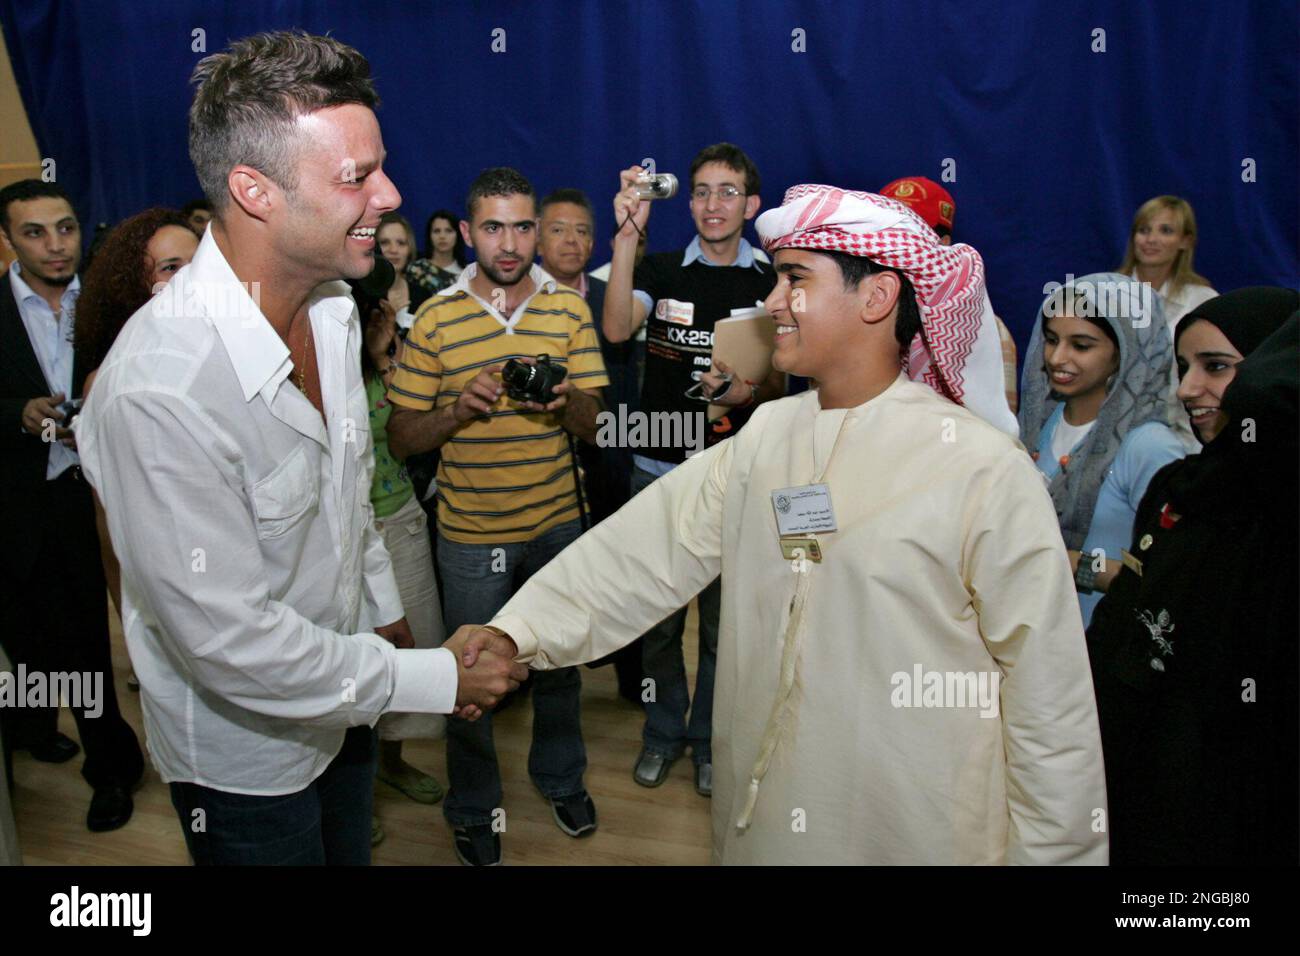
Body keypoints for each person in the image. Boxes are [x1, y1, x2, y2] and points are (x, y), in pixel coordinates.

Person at [454, 184, 1109, 865]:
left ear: (877, 297)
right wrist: (518, 633)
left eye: (794, 279)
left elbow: (1050, 712)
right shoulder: (768, 434)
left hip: (915, 831)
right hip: (764, 824)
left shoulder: (983, 471)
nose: (772, 304)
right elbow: (642, 551)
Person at [74, 31, 524, 866]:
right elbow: (231, 645)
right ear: (253, 191)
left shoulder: (333, 308)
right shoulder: (161, 391)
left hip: (343, 706)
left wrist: (386, 616)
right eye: (356, 177)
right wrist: (430, 677)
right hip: (249, 763)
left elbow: (344, 495)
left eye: (380, 166)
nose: (389, 195)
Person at [386, 167, 610, 867]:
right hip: (471, 533)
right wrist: (460, 409)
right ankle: (475, 806)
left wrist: (564, 402)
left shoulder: (569, 310)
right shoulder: (436, 317)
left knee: (560, 665)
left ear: (537, 229)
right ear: (469, 229)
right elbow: (399, 437)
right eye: (492, 226)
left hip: (556, 522)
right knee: (467, 679)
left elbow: (595, 423)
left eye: (521, 226)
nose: (508, 243)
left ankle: (560, 777)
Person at [1086, 288, 1299, 865]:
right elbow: (1126, 624)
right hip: (1143, 771)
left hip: (1236, 792)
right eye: (1183, 368)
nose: (1187, 389)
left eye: (1218, 367)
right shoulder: (1178, 484)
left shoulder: (1276, 504)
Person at [603, 143, 783, 797]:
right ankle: (662, 732)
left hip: (736, 471)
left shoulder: (770, 281)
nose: (712, 204)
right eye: (702, 190)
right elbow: (618, 328)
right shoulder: (657, 267)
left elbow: (786, 385)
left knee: (720, 629)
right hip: (658, 467)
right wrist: (626, 233)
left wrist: (746, 394)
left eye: (728, 191)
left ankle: (708, 742)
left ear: (752, 205)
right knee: (659, 622)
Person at [0, 179, 145, 832]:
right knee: (33, 642)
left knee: (89, 643)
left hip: (108, 497)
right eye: (35, 232)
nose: (56, 246)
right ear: (7, 240)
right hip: (28, 502)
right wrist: (15, 414)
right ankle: (34, 724)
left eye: (65, 227)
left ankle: (112, 767)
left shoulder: (114, 305)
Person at [74, 207, 201, 692]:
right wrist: (141, 631)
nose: (191, 281)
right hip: (176, 610)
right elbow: (114, 534)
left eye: (198, 264)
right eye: (171, 269)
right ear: (134, 286)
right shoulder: (112, 383)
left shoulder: (244, 352)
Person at [1018, 273, 1184, 628]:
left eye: (1081, 345)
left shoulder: (1149, 447)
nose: (1057, 357)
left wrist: (1068, 563)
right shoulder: (1040, 425)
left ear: (1123, 354)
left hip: (1104, 651)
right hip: (1036, 635)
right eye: (1051, 340)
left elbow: (1172, 573)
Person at [537, 187, 643, 705]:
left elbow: (626, 388)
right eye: (558, 229)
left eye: (581, 230)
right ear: (536, 237)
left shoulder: (613, 301)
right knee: (547, 583)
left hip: (609, 458)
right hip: (540, 468)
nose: (571, 240)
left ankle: (633, 679)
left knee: (621, 578)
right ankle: (533, 681)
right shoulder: (516, 304)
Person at [358, 292, 447, 843]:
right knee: (353, 665)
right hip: (343, 536)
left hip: (403, 520)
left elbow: (414, 431)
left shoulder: (402, 356)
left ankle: (391, 762)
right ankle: (355, 785)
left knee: (407, 654)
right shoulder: (308, 360)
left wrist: (387, 356)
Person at [880, 176, 1020, 413]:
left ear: (942, 244)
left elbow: (996, 431)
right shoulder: (852, 315)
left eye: (908, 234)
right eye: (885, 232)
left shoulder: (983, 331)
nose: (893, 245)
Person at [1116, 196, 1217, 449]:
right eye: (1144, 230)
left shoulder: (1202, 300)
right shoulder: (1105, 295)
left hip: (1184, 438)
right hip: (1111, 435)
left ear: (1186, 241)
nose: (1151, 240)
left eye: (1166, 231)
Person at [374, 210, 431, 332]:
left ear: (410, 249)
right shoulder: (364, 297)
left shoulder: (423, 296)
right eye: (384, 242)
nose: (394, 250)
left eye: (401, 243)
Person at [406, 209, 465, 295]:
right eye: (437, 231)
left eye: (448, 231)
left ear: (458, 235)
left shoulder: (467, 273)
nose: (442, 236)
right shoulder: (417, 270)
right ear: (429, 236)